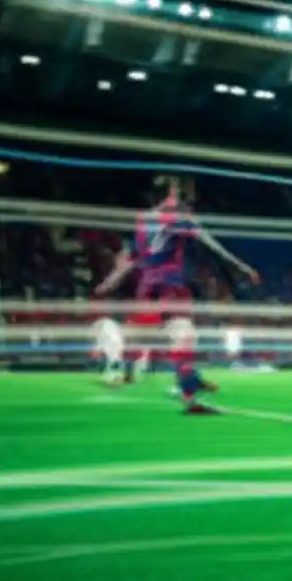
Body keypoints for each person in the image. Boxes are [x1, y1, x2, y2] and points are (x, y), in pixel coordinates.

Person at [95, 175, 258, 414]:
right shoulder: (179, 215)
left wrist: (109, 282)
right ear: (172, 192)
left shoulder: (143, 220)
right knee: (184, 336)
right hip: (170, 285)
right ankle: (190, 398)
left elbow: (131, 258)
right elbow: (211, 244)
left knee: (141, 333)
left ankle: (133, 374)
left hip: (147, 286)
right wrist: (242, 267)